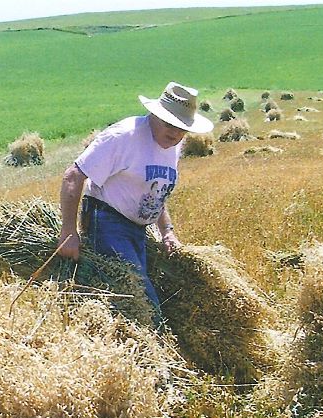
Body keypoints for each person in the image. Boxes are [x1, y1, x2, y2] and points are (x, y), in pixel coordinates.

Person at [58, 81, 213, 308]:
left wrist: (167, 232)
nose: (175, 132)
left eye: (182, 128)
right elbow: (73, 175)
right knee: (142, 302)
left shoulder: (172, 145)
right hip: (107, 223)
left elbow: (155, 190)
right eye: (169, 124)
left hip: (138, 232)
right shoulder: (124, 136)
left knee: (133, 298)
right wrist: (68, 232)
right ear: (155, 115)